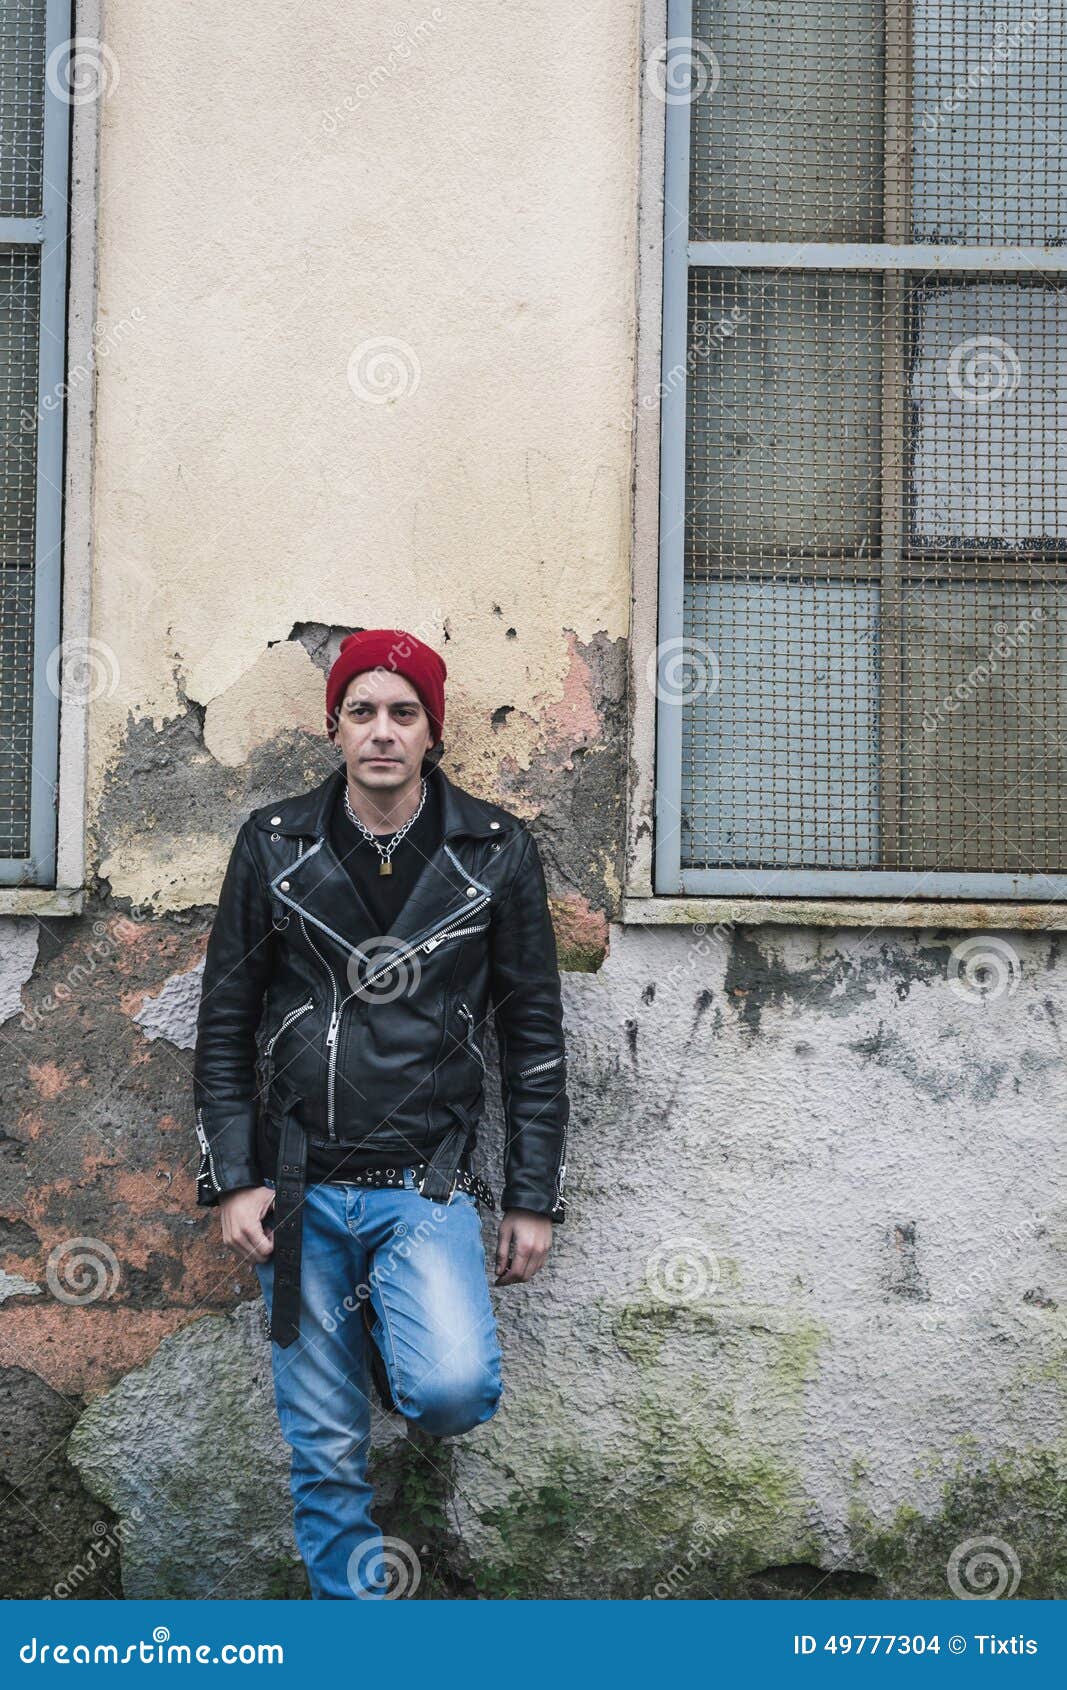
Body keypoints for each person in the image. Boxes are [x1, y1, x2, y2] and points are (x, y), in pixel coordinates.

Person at [192, 627, 570, 1598]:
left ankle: (376, 1335)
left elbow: (531, 1035)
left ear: (430, 731)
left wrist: (532, 1197)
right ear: (335, 728)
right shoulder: (273, 845)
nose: (382, 731)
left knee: (449, 1390)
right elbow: (226, 1023)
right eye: (361, 710)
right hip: (297, 1189)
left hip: (423, 1185)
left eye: (403, 712)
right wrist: (232, 1178)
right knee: (323, 1451)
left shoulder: (496, 851)